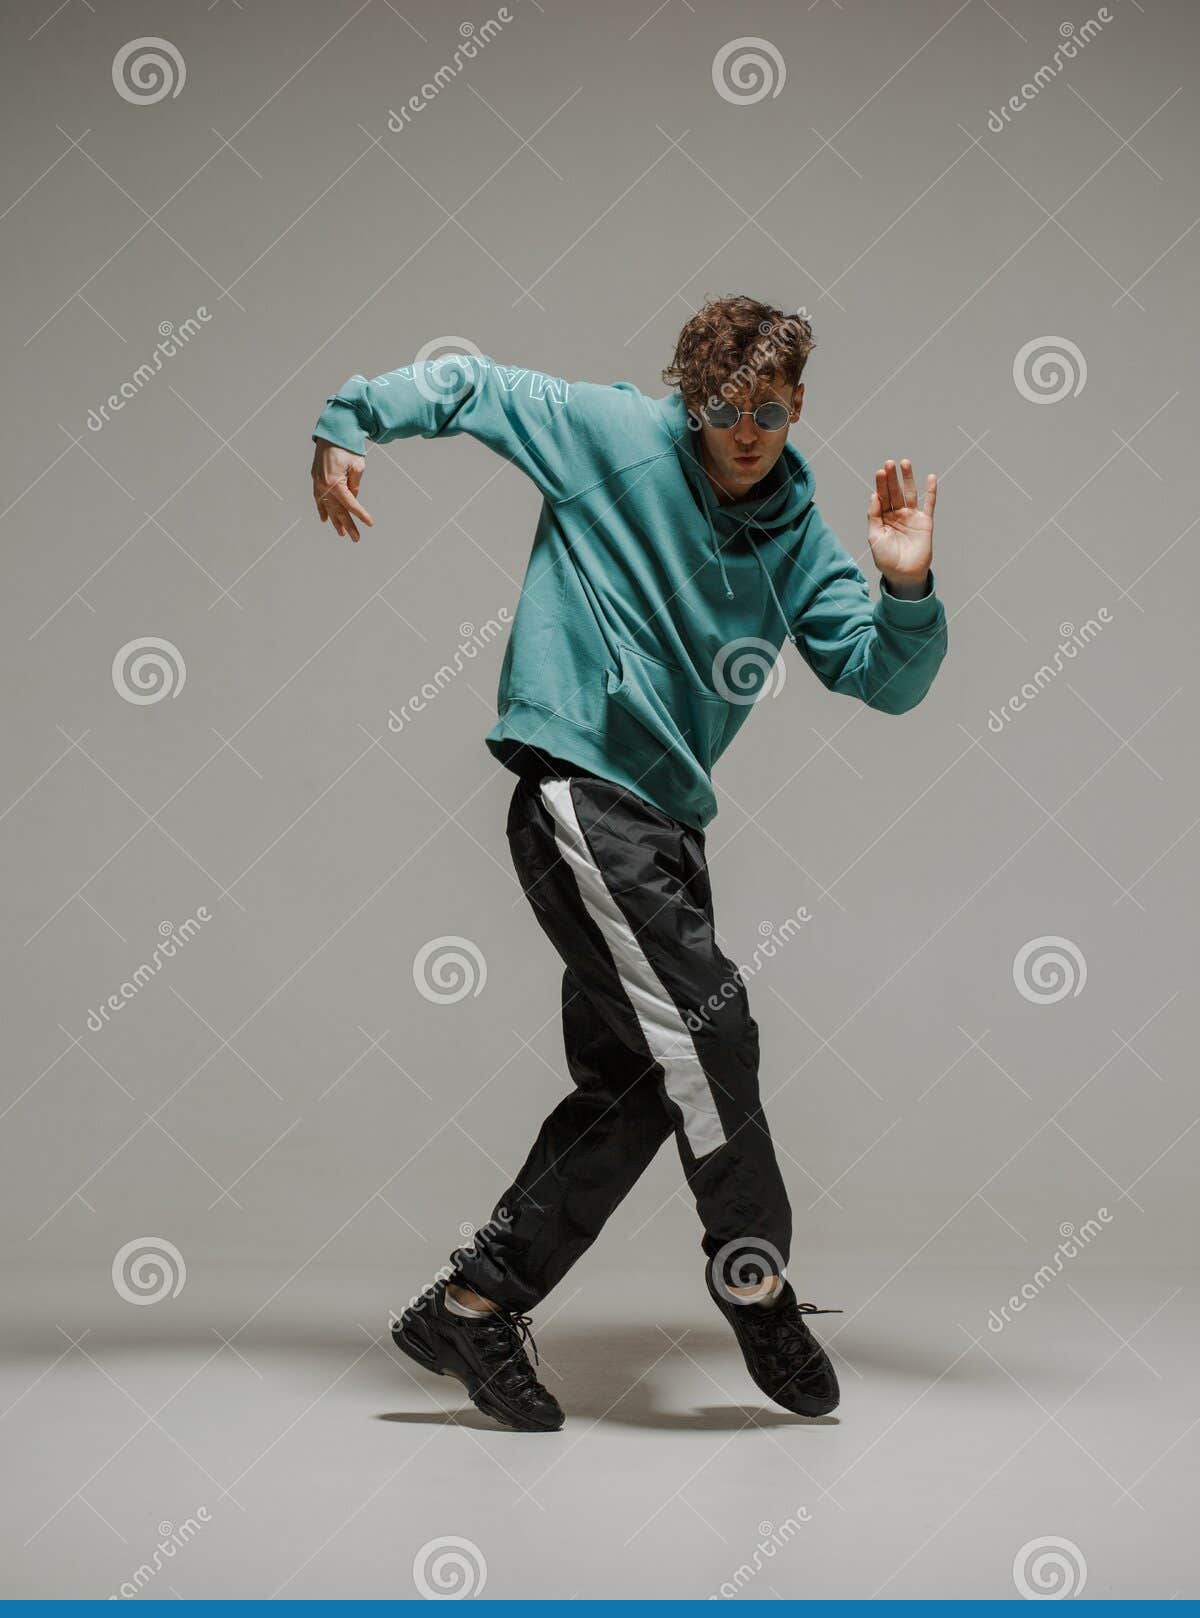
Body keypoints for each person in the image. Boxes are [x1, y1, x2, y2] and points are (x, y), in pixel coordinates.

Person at [309, 294, 948, 1432]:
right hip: (581, 793)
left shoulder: (797, 536)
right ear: (688, 402)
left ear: (798, 405)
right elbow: (471, 386)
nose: (744, 432)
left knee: (642, 1086)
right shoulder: (610, 434)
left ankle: (472, 1305)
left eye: (767, 412)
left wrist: (904, 586)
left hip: (667, 826)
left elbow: (881, 678)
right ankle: (753, 1280)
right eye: (721, 409)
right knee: (712, 1027)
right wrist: (351, 421)